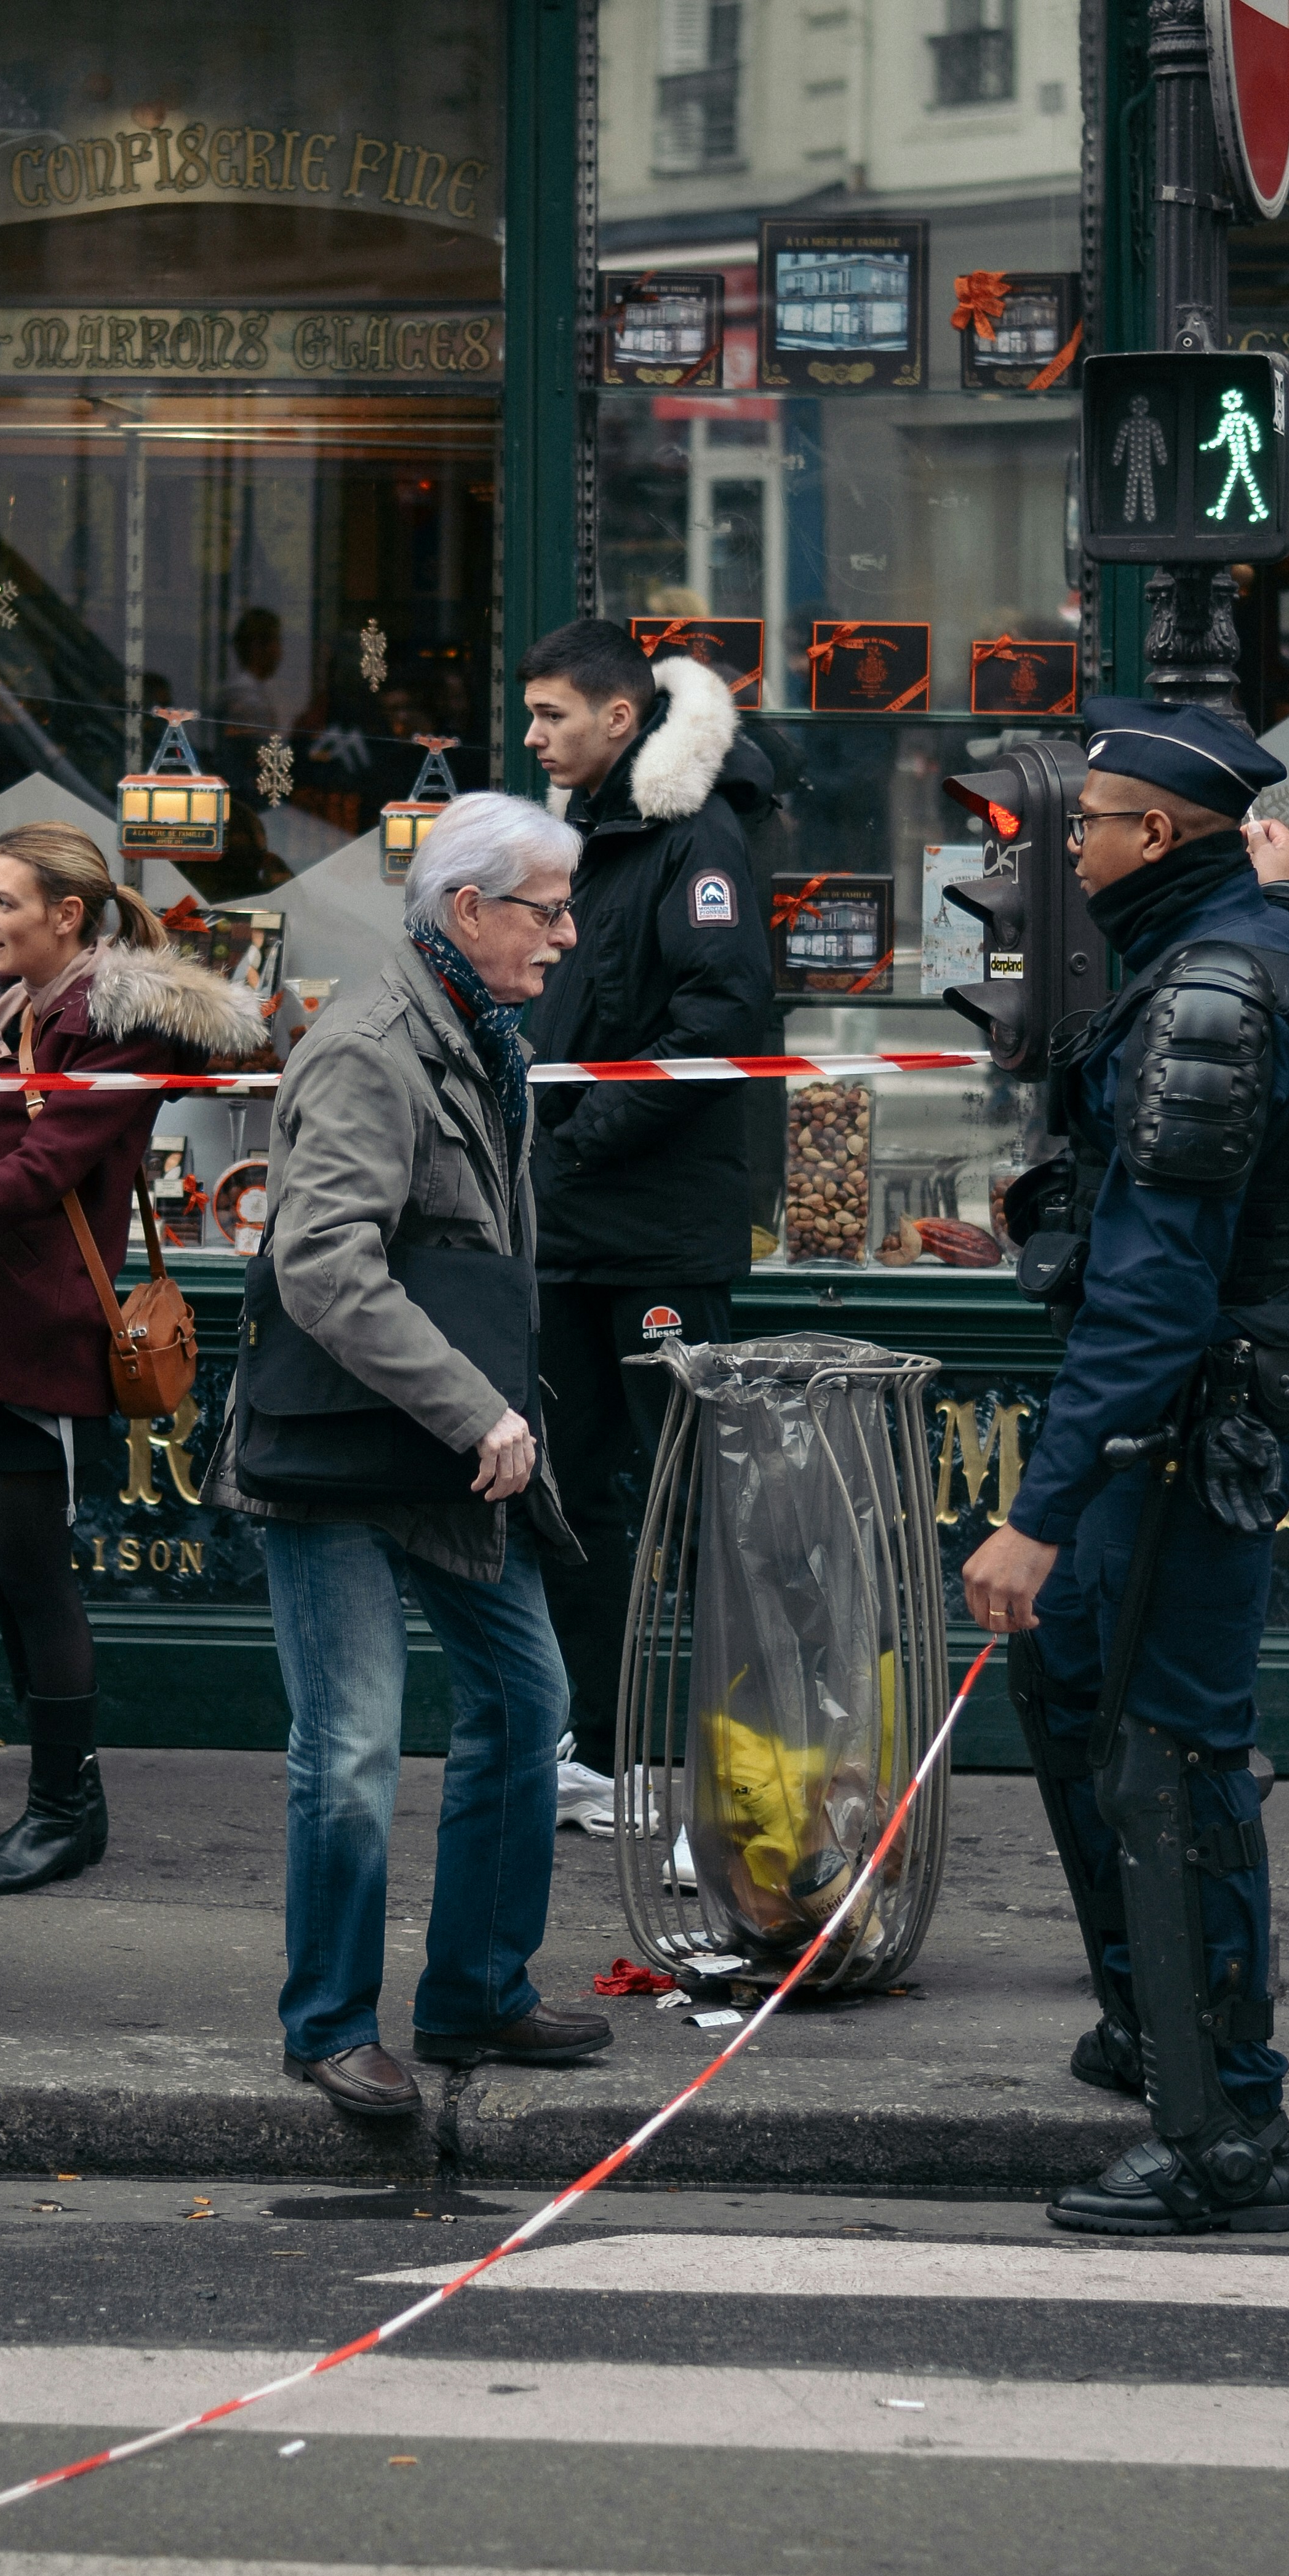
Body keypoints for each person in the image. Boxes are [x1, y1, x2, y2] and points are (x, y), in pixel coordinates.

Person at [961, 698, 1289, 2241]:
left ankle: (1226, 2138)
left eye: (1086, 824)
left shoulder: (1212, 990)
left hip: (1192, 1421)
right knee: (1073, 1680)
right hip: (1212, 1398)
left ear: (1156, 835)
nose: (1066, 847)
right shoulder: (1283, 936)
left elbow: (1156, 1299)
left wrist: (1036, 1513)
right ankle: (1155, 2022)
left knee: (1171, 1756)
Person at [201, 790, 613, 2121]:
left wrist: (477, 1413)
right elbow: (325, 1265)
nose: (565, 934)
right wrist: (476, 1409)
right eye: (547, 910)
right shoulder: (372, 1046)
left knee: (527, 1703)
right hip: (344, 1450)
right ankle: (328, 2023)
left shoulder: (473, 1028)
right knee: (352, 1746)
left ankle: (475, 1988)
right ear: (469, 908)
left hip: (441, 1443)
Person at [0, 825, 262, 1895]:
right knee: (0, 1565)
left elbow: (41, 1171)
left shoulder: (110, 1026)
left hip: (39, 1322)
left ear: (66, 915)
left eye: (4, 902)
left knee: (33, 1572)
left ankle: (64, 1812)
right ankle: (60, 1803)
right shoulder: (14, 1007)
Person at [518, 619, 775, 1786]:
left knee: (700, 1504)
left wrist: (576, 1142)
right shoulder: (588, 834)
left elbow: (717, 1019)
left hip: (655, 1231)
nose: (534, 738)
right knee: (571, 1489)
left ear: (618, 718)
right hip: (568, 1227)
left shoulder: (693, 834)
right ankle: (600, 1748)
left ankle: (738, 1774)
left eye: (552, 715)